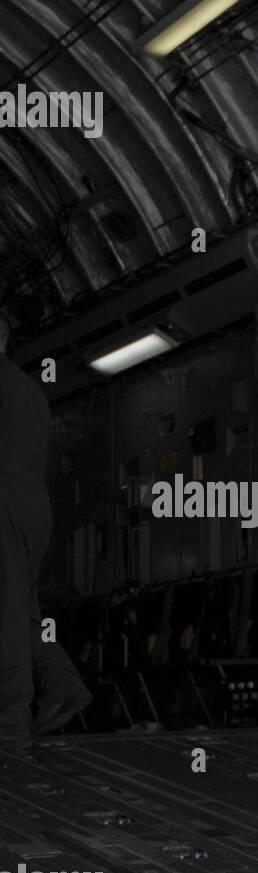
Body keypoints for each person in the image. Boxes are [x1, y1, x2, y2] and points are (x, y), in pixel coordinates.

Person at [0, 307, 93, 757]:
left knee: (5, 616)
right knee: (23, 611)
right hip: (33, 509)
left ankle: (10, 731)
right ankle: (62, 680)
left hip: (1, 504)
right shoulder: (28, 388)